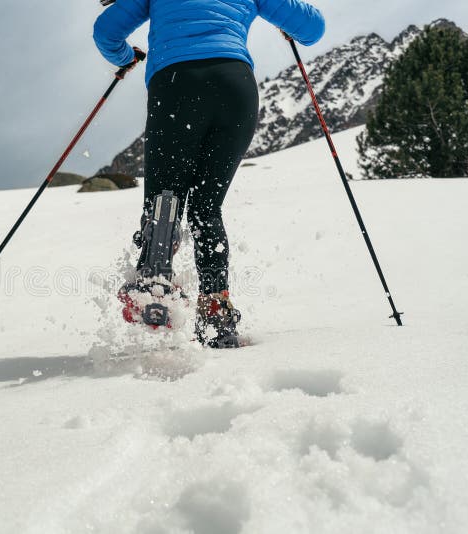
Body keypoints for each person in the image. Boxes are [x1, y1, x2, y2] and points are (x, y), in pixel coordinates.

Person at [93, 0, 325, 347]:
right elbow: (314, 29)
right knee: (206, 207)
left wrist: (125, 58)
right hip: (235, 89)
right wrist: (289, 25)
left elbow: (106, 32)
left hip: (176, 86)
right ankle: (216, 312)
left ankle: (154, 284)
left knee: (165, 201)